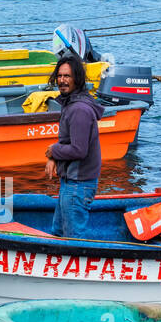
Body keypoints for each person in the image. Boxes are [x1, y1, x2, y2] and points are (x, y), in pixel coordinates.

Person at [45, 54, 103, 238]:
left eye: (67, 76)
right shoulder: (71, 104)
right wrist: (54, 157)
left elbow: (79, 149)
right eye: (60, 76)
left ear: (77, 79)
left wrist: (53, 150)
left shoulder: (79, 110)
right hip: (70, 182)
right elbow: (69, 143)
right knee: (58, 233)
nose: (62, 81)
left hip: (78, 185)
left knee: (73, 237)